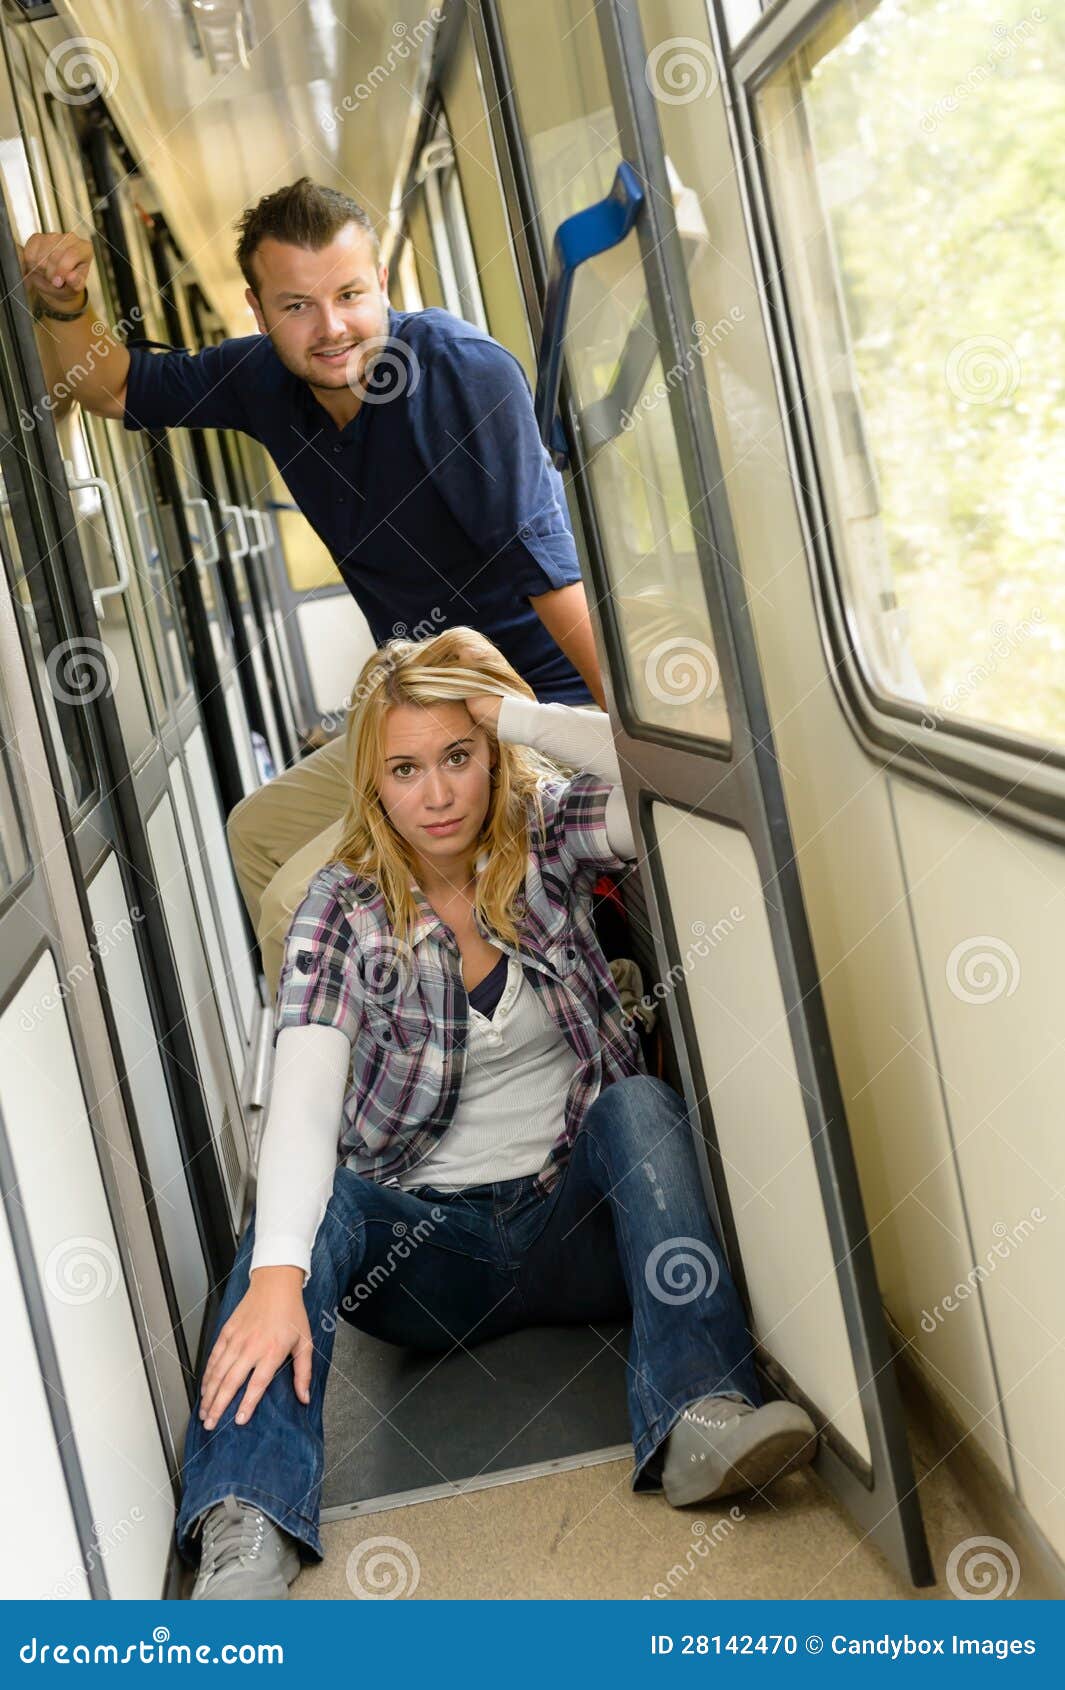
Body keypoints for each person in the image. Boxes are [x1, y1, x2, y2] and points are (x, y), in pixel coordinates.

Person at [174, 625, 817, 1599]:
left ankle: (701, 1416)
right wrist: (275, 1277)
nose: (436, 794)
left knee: (641, 1103)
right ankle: (246, 1517)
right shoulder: (340, 906)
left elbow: (682, 779)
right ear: (372, 781)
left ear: (489, 753)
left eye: (457, 757)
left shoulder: (547, 833)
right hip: (427, 1260)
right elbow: (302, 1106)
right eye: (405, 768)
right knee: (305, 1218)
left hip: (574, 1224)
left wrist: (513, 711)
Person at [18, 177, 606, 992]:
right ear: (259, 313)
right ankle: (377, 1056)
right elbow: (111, 387)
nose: (330, 328)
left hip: (531, 718)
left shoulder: (461, 376)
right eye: (297, 305)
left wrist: (623, 738)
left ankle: (399, 1077)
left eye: (350, 295)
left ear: (382, 289)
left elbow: (552, 576)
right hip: (425, 716)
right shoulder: (266, 380)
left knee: (304, 900)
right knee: (257, 831)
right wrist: (64, 302)